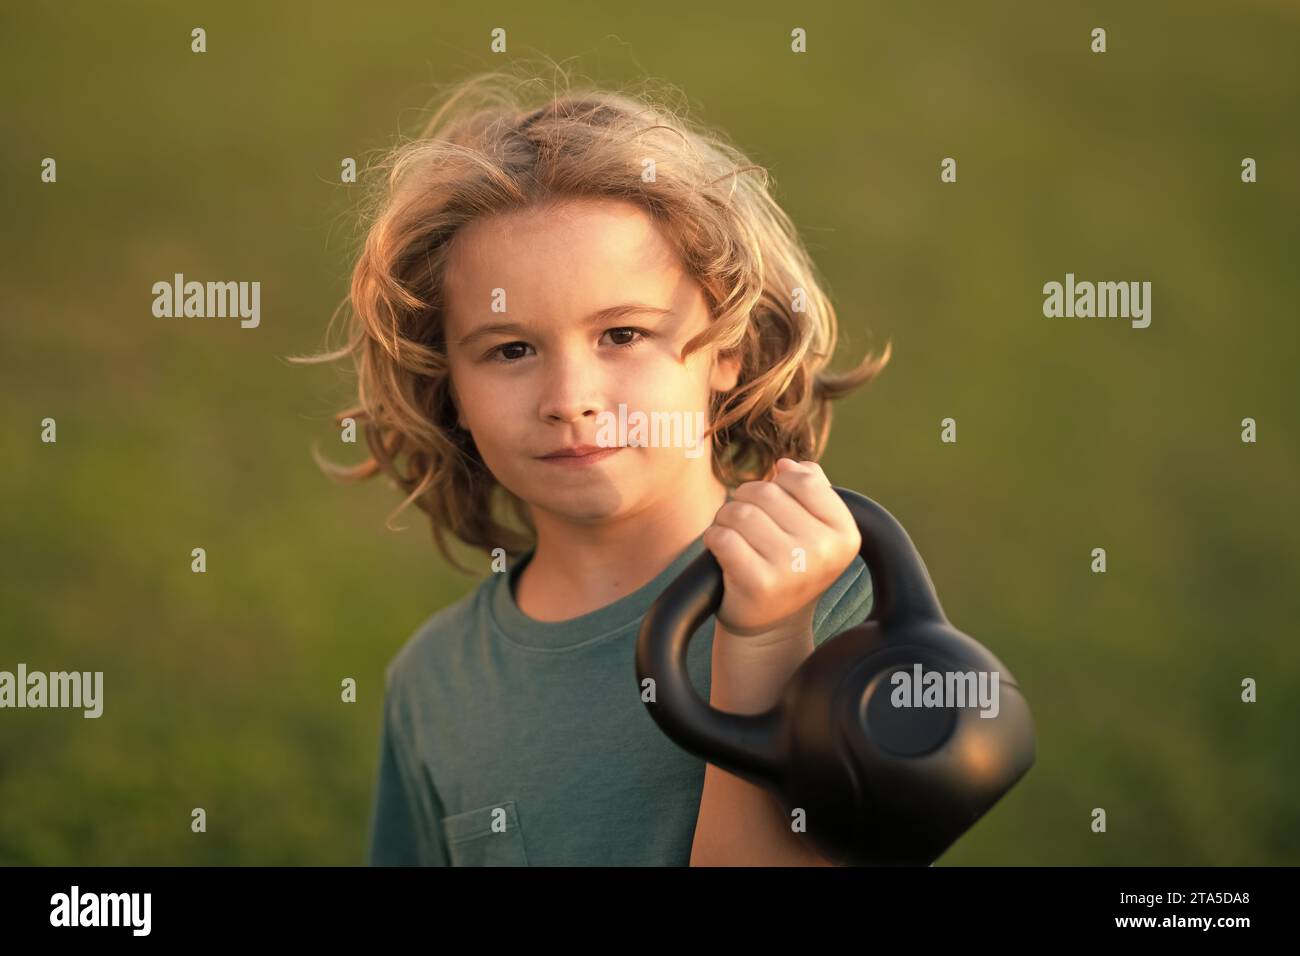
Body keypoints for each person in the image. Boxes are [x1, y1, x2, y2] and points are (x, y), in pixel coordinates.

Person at [294, 64, 891, 865]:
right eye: (510, 350)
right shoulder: (434, 685)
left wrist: (763, 640)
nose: (570, 398)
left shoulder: (849, 601)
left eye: (622, 335)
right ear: (452, 392)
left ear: (729, 348)